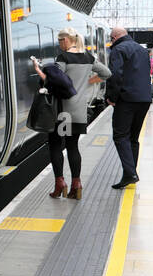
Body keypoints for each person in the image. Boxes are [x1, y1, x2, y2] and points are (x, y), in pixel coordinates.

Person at [35, 28, 111, 199]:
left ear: (67, 40)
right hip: (79, 112)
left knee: (55, 146)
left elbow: (54, 79)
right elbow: (107, 73)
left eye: (60, 40)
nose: (59, 44)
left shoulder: (63, 58)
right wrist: (87, 82)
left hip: (62, 112)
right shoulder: (88, 57)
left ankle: (59, 183)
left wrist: (38, 70)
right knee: (73, 147)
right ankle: (76, 184)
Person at [106, 26, 153, 189]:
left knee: (120, 135)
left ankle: (131, 173)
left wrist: (111, 97)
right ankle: (129, 174)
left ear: (114, 37)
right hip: (144, 98)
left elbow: (115, 76)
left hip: (127, 99)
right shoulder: (141, 50)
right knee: (133, 137)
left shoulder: (118, 49)